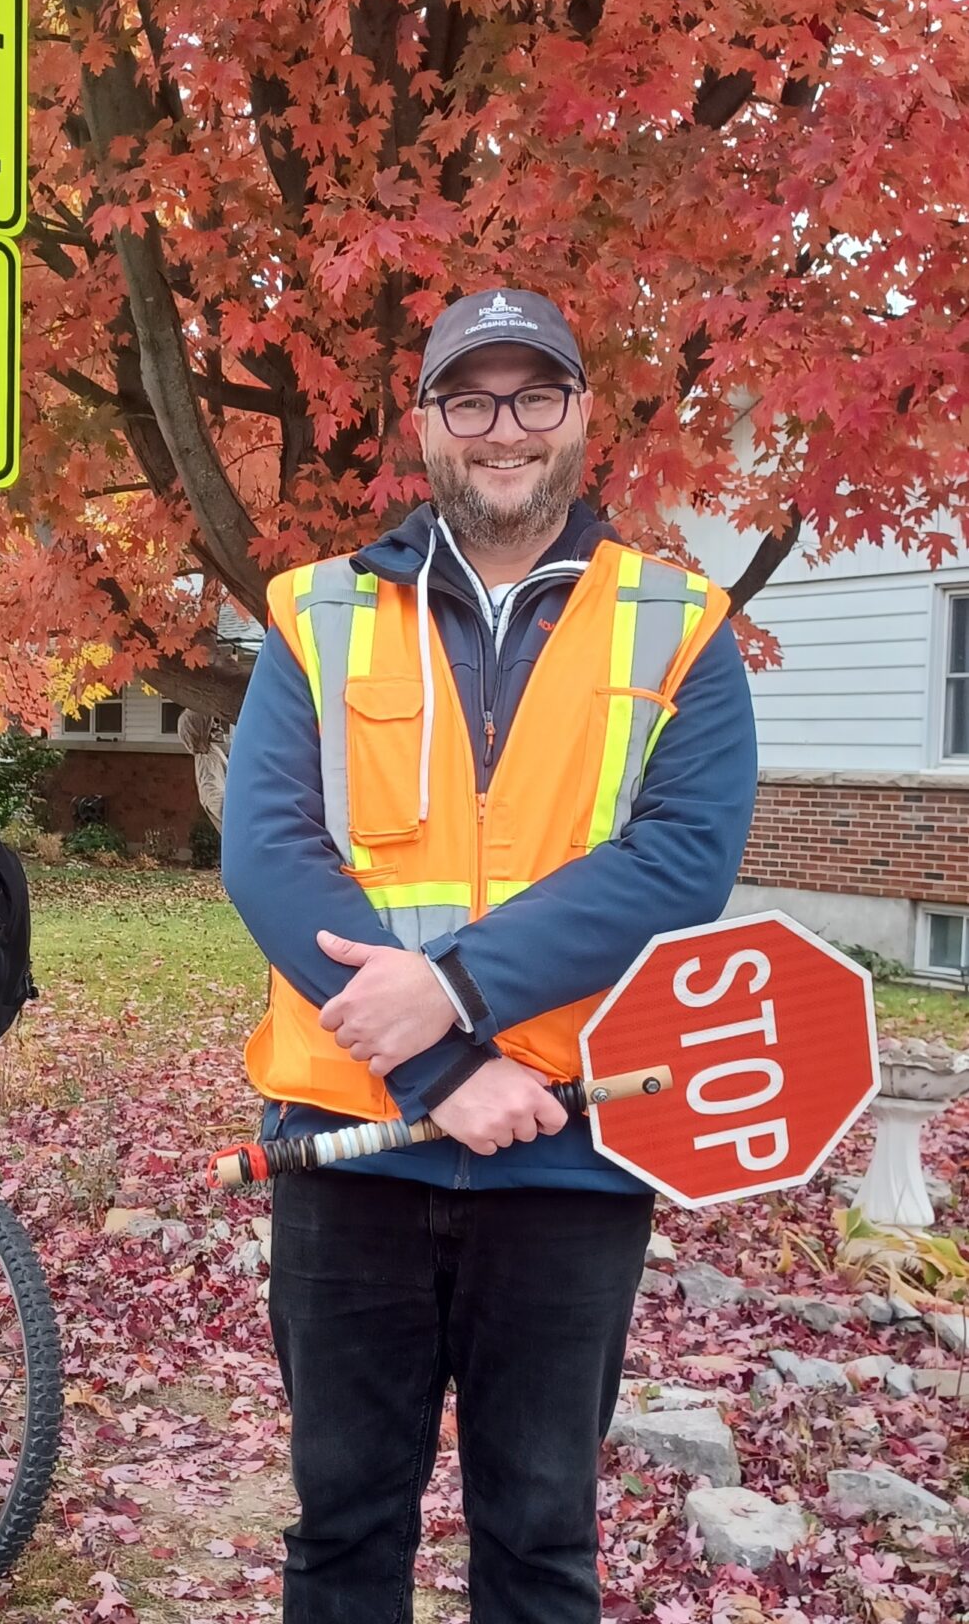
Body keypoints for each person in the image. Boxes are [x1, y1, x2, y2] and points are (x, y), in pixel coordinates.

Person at [220, 288, 757, 1624]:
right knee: (342, 1531)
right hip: (351, 1145)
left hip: (569, 1152)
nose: (500, 428)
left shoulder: (676, 624)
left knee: (535, 1542)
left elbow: (674, 863)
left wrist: (456, 992)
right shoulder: (316, 614)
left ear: (579, 416)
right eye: (469, 399)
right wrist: (438, 1067)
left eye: (532, 396)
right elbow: (271, 858)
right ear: (424, 426)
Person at [177, 709, 232, 833]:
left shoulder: (212, 752)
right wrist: (244, 808)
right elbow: (214, 800)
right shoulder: (206, 759)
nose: (217, 725)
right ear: (199, 729)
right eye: (212, 722)